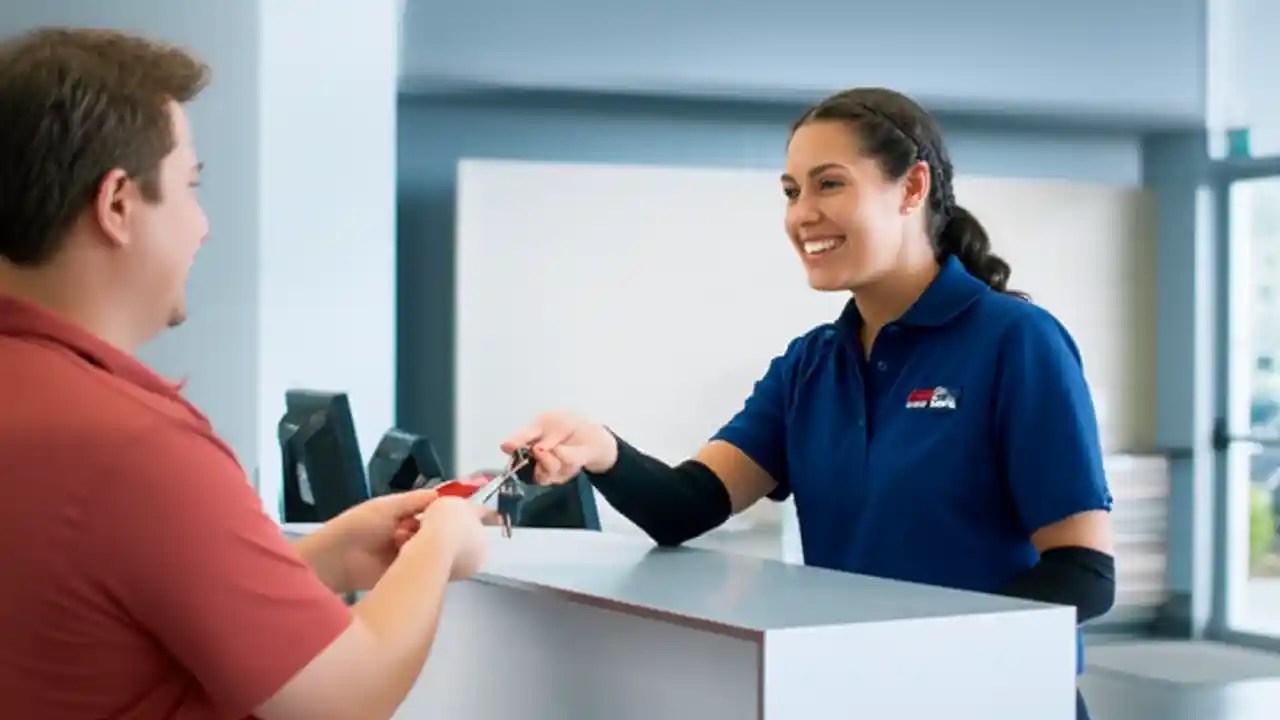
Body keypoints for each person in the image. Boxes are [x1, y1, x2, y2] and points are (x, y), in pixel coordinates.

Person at [502, 87, 1116, 719]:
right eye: (792, 191)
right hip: (859, 697)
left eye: (829, 184)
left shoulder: (1015, 340)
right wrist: (601, 449)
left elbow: (1083, 572)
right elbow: (686, 507)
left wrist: (932, 650)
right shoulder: (811, 364)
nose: (802, 215)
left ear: (911, 189)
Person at [0, 27, 488, 720]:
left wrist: (328, 555)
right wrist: (441, 543)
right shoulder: (135, 449)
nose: (201, 227)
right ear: (117, 205)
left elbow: (99, 611)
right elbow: (343, 696)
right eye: (189, 188)